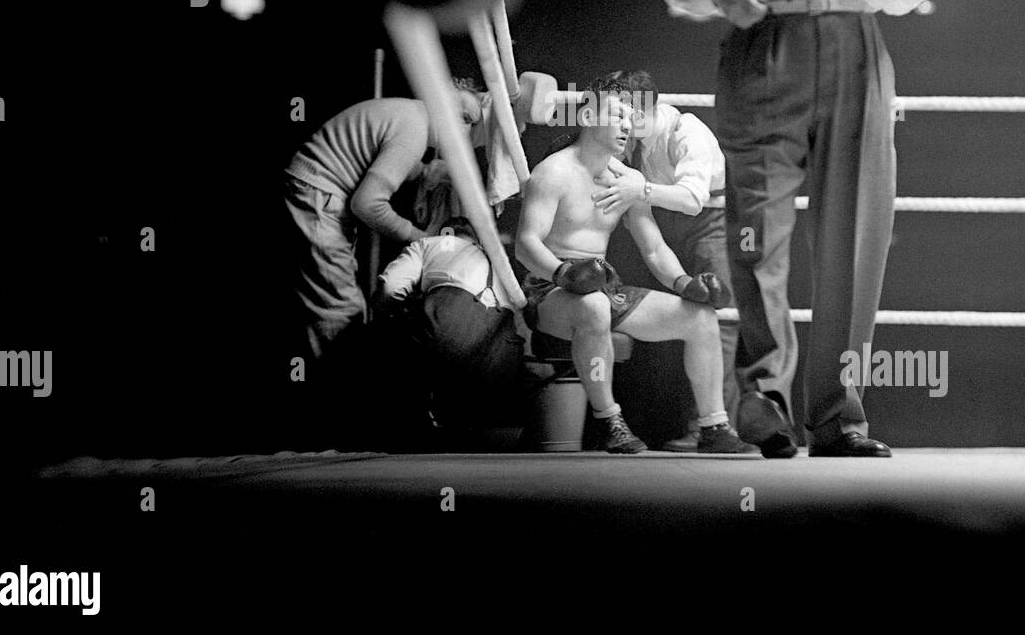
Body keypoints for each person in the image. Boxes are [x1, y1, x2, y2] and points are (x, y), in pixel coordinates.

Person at [659, 0, 933, 457]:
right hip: (764, 46)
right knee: (756, 233)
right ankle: (766, 407)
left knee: (856, 236)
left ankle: (840, 417)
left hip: (853, 43)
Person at [514, 77, 756, 454]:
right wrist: (563, 273)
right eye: (617, 114)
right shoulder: (553, 172)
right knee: (593, 305)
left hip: (602, 285)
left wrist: (683, 283)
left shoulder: (628, 178)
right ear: (590, 114)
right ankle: (609, 420)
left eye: (631, 116)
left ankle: (714, 427)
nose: (627, 124)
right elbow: (526, 243)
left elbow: (654, 248)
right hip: (547, 290)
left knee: (700, 317)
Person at [588, 70, 741, 452]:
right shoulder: (621, 145)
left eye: (624, 113)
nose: (619, 122)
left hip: (709, 221)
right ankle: (664, 422)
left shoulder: (687, 133)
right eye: (612, 113)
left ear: (641, 110)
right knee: (672, 315)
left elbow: (692, 199)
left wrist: (640, 189)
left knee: (715, 313)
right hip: (657, 220)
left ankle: (715, 427)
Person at [284, 85, 484, 361]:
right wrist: (419, 238)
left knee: (326, 301)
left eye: (472, 123)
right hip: (318, 196)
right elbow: (366, 204)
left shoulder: (408, 114)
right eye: (463, 117)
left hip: (314, 190)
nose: (465, 132)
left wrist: (425, 172)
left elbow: (381, 159)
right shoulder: (413, 132)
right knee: (341, 308)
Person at [376, 216, 523, 432]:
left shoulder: (429, 244)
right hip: (503, 356)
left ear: (444, 233)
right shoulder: (500, 260)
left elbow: (389, 289)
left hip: (446, 329)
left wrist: (394, 317)